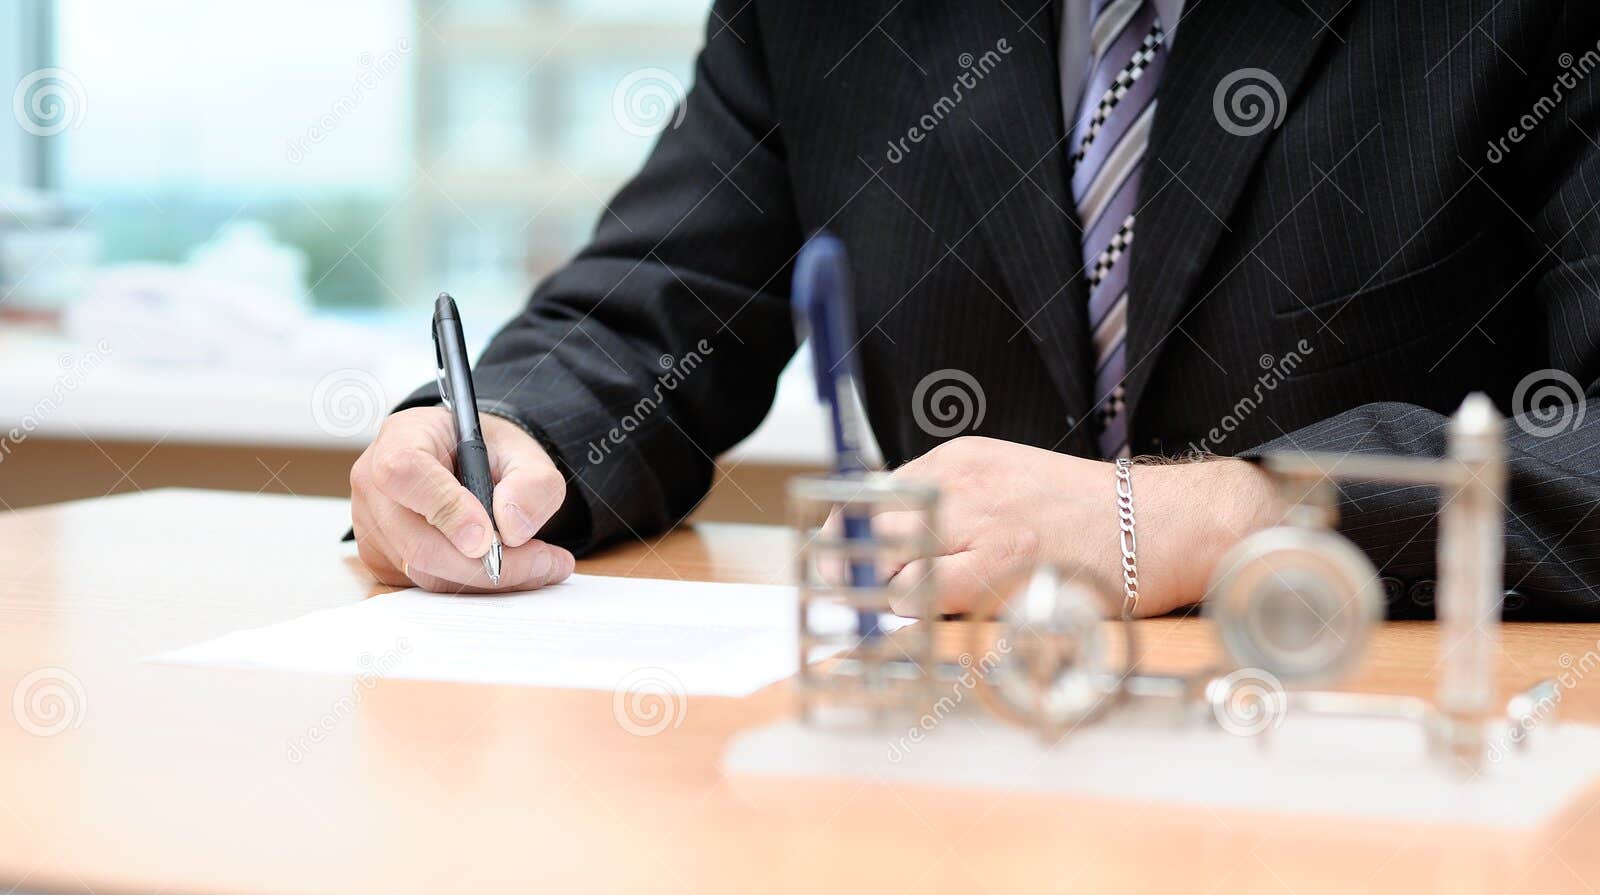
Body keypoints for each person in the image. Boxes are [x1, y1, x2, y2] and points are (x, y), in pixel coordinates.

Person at [349, 0, 1600, 619]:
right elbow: (653, 308)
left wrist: (1230, 515)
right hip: (949, 757)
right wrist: (506, 436)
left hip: (1374, 763)